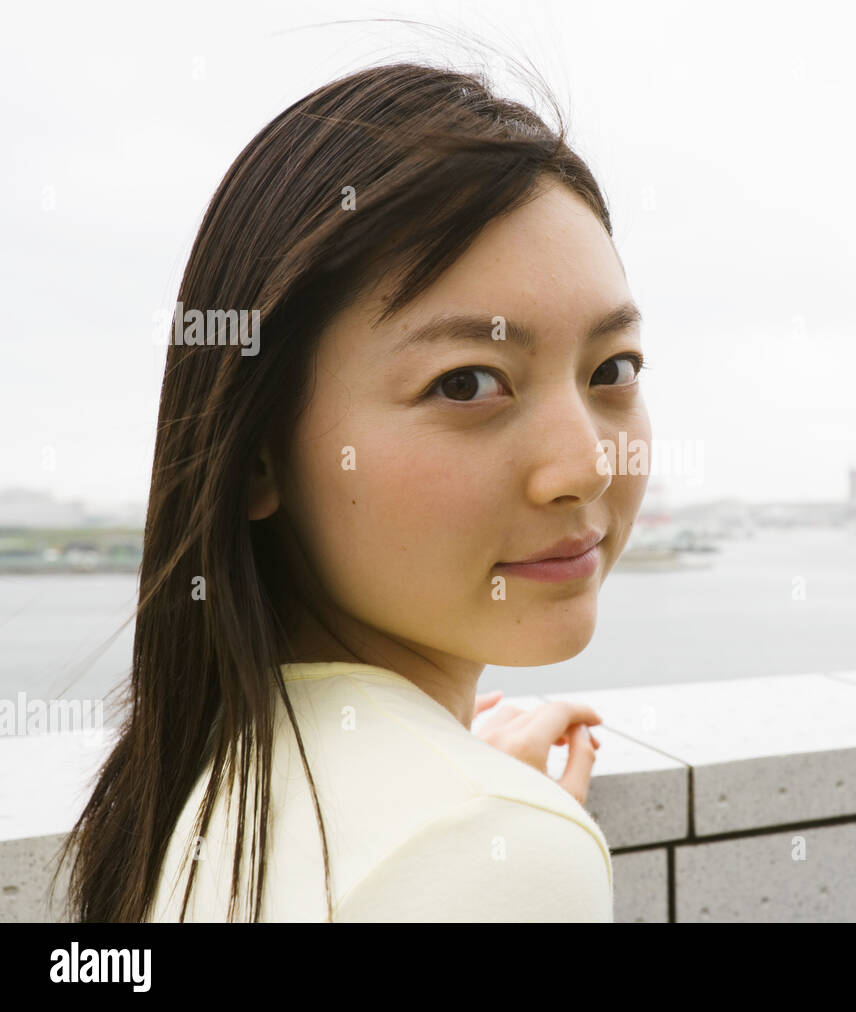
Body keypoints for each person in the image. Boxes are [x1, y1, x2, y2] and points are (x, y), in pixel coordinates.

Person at [55, 60, 652, 922]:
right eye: (466, 384)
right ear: (258, 454)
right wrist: (485, 835)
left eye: (613, 369)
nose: (589, 466)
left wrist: (453, 793)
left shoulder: (212, 774)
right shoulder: (490, 846)